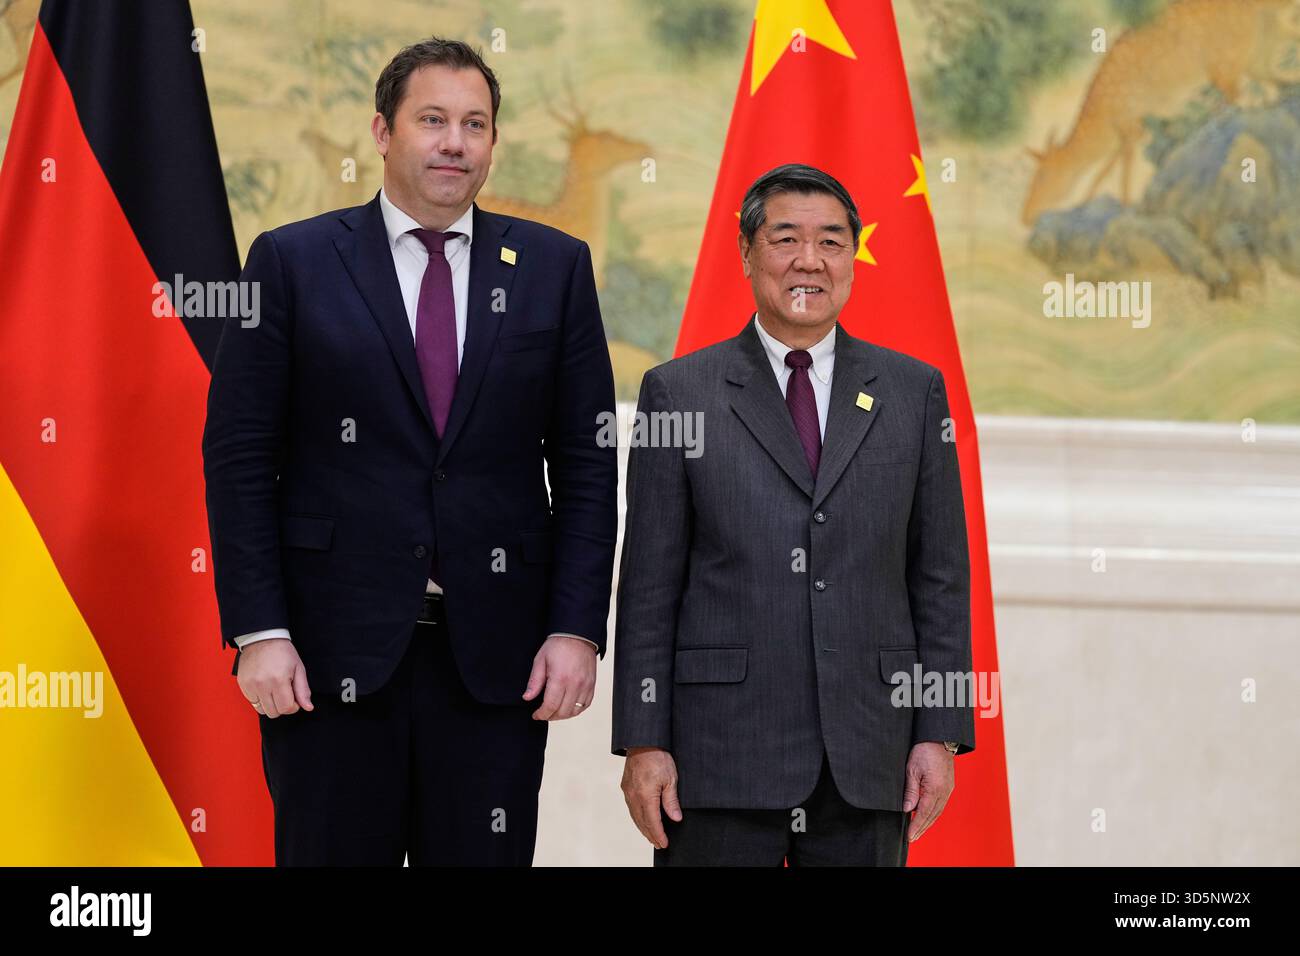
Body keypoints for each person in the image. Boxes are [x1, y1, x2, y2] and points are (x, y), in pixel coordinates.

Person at [203, 37, 617, 866]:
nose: (455, 142)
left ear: (494, 143)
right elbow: (241, 454)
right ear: (383, 132)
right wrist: (260, 630)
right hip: (327, 660)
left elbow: (585, 462)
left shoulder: (553, 269)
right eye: (432, 120)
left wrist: (576, 628)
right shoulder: (290, 262)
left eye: (475, 124)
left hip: (496, 665)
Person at [612, 163, 975, 866]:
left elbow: (941, 579)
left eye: (832, 242)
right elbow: (650, 587)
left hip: (870, 754)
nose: (809, 260)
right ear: (747, 254)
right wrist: (643, 741)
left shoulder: (913, 393)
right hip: (716, 758)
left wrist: (940, 730)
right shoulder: (679, 392)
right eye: (785, 239)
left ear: (853, 258)